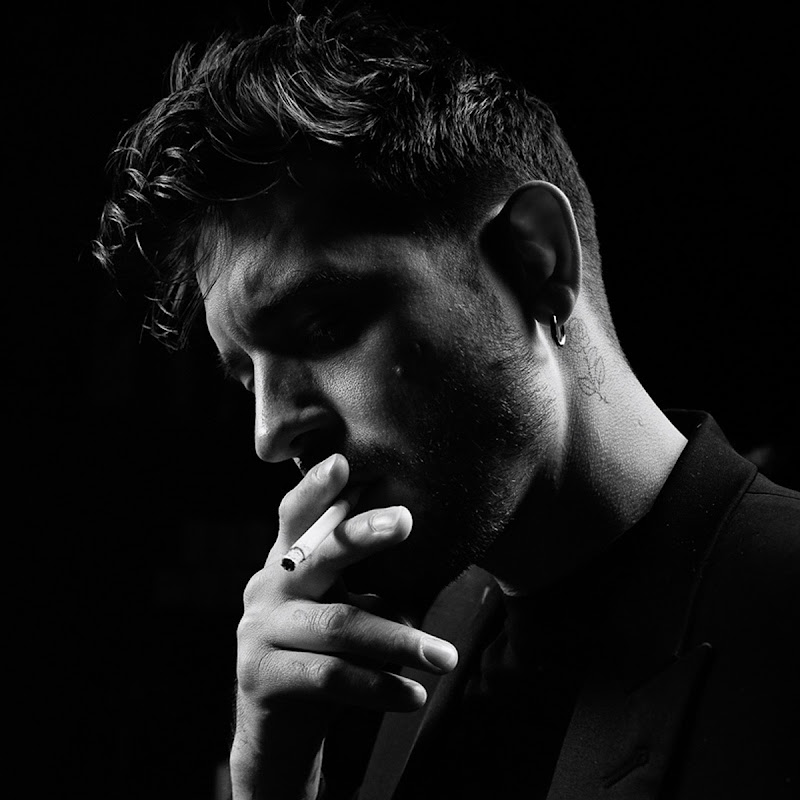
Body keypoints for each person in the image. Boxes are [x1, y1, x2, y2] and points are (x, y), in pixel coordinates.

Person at [94, 6, 799, 799]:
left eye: (324, 325)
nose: (271, 432)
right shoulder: (400, 660)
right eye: (249, 377)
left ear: (535, 261)